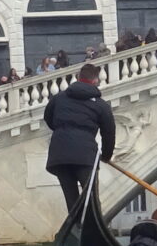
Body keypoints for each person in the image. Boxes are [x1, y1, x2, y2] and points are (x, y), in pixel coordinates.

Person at [43, 61, 115, 215]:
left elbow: (48, 118)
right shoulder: (101, 105)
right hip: (85, 155)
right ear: (96, 81)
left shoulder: (59, 98)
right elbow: (109, 133)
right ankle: (92, 232)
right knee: (92, 201)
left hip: (60, 154)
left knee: (72, 202)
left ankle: (76, 230)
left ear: (77, 77)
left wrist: (62, 130)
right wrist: (107, 155)